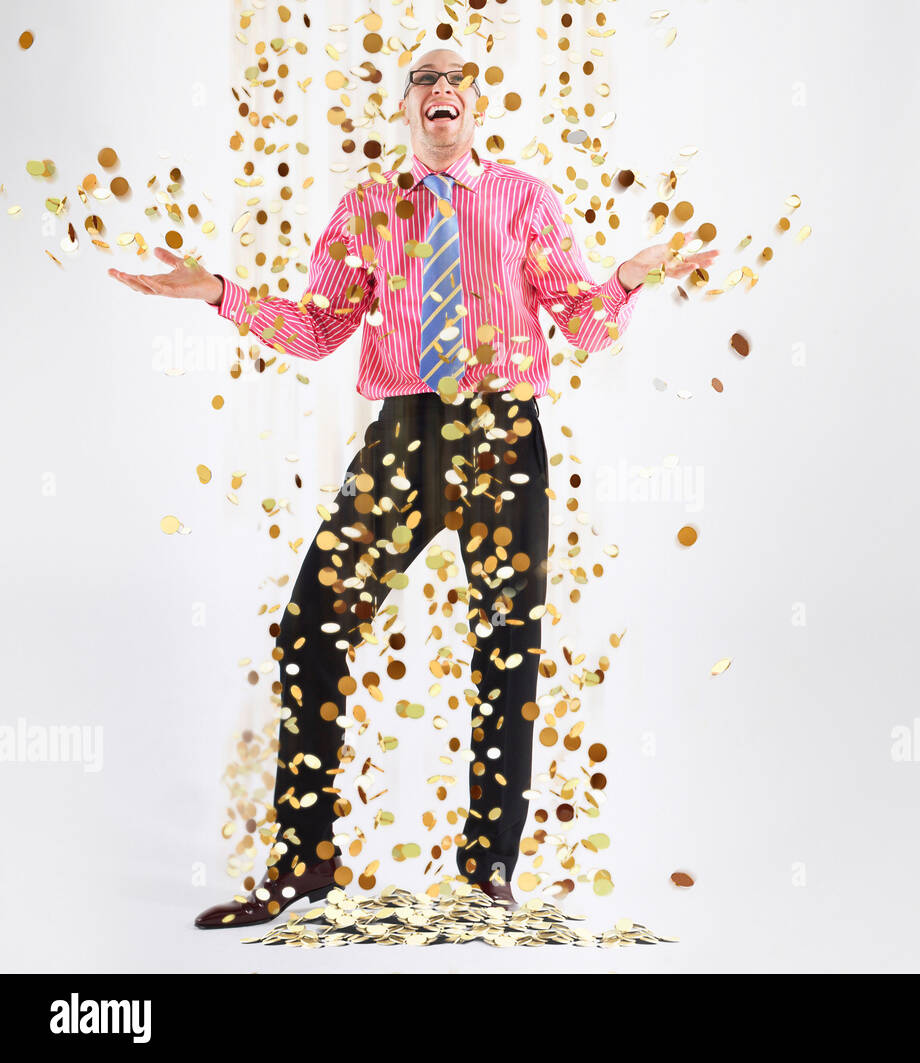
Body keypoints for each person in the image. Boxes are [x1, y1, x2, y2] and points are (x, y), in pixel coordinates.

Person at [109, 46, 717, 928]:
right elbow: (320, 331)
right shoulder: (364, 206)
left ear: (474, 108)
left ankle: (485, 871)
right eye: (424, 80)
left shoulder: (523, 199)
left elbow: (583, 325)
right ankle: (302, 865)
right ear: (405, 111)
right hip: (406, 436)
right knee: (310, 626)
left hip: (507, 435)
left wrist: (628, 276)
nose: (441, 89)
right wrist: (220, 294)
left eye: (455, 80)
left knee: (505, 645)